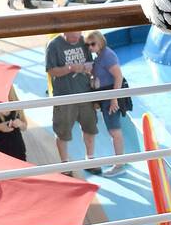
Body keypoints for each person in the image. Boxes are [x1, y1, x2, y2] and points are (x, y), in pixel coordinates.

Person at [45, 29, 101, 173]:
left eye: (79, 33)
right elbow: (51, 70)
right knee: (62, 131)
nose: (77, 37)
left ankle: (90, 159)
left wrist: (92, 73)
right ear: (65, 31)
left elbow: (91, 63)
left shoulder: (83, 41)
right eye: (73, 34)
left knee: (90, 128)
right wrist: (71, 68)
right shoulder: (53, 45)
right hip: (64, 96)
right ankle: (65, 165)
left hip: (85, 93)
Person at [85, 30, 127, 173]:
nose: (90, 47)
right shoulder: (99, 56)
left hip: (110, 95)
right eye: (87, 45)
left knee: (115, 131)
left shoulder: (107, 55)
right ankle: (119, 161)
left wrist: (114, 98)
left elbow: (118, 76)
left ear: (100, 42)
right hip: (105, 96)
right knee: (112, 131)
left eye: (93, 44)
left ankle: (119, 164)